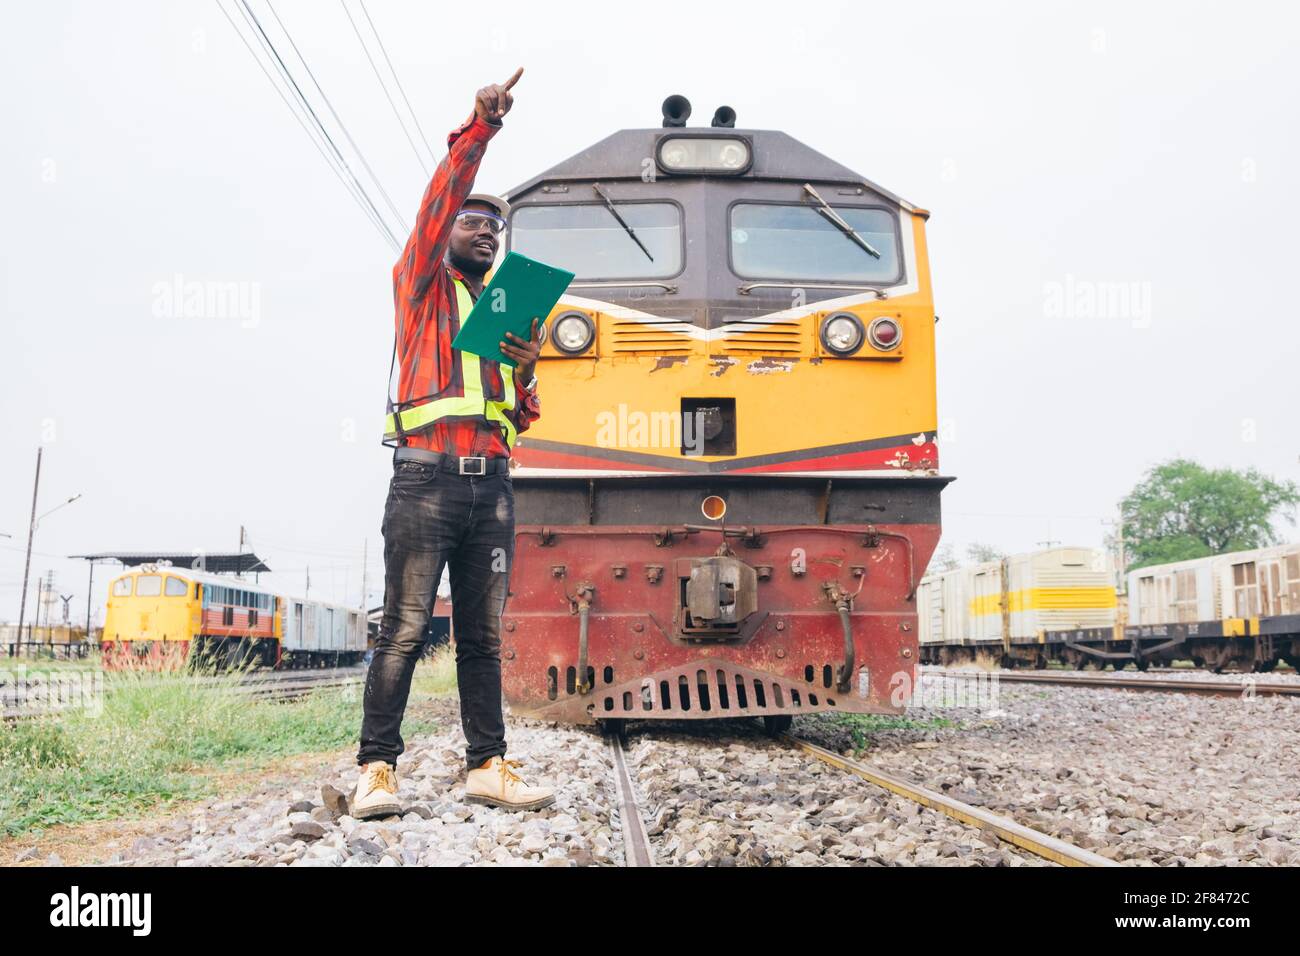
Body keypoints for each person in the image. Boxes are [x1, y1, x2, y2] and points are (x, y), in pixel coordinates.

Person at [352, 68, 554, 819]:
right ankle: (377, 770)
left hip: (491, 488)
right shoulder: (421, 284)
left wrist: (527, 377)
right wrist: (481, 129)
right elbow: (440, 201)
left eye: (495, 225)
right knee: (403, 629)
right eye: (475, 221)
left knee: (482, 638)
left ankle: (488, 766)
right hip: (425, 483)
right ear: (448, 233)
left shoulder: (503, 314)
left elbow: (512, 414)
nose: (486, 230)